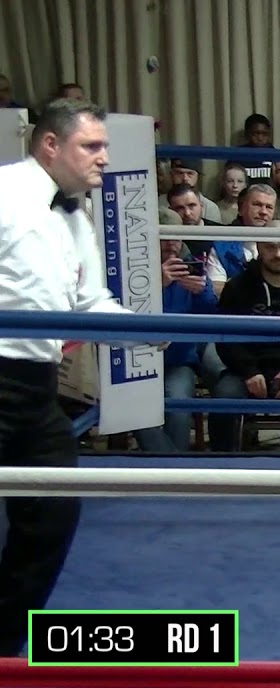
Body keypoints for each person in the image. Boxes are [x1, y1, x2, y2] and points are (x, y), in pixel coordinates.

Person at [0, 99, 140, 655]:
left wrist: (146, 330)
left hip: (37, 387)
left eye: (105, 146)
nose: (104, 159)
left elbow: (89, 302)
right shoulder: (4, 193)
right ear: (50, 145)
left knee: (54, 511)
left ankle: (5, 643)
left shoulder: (75, 214)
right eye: (92, 146)